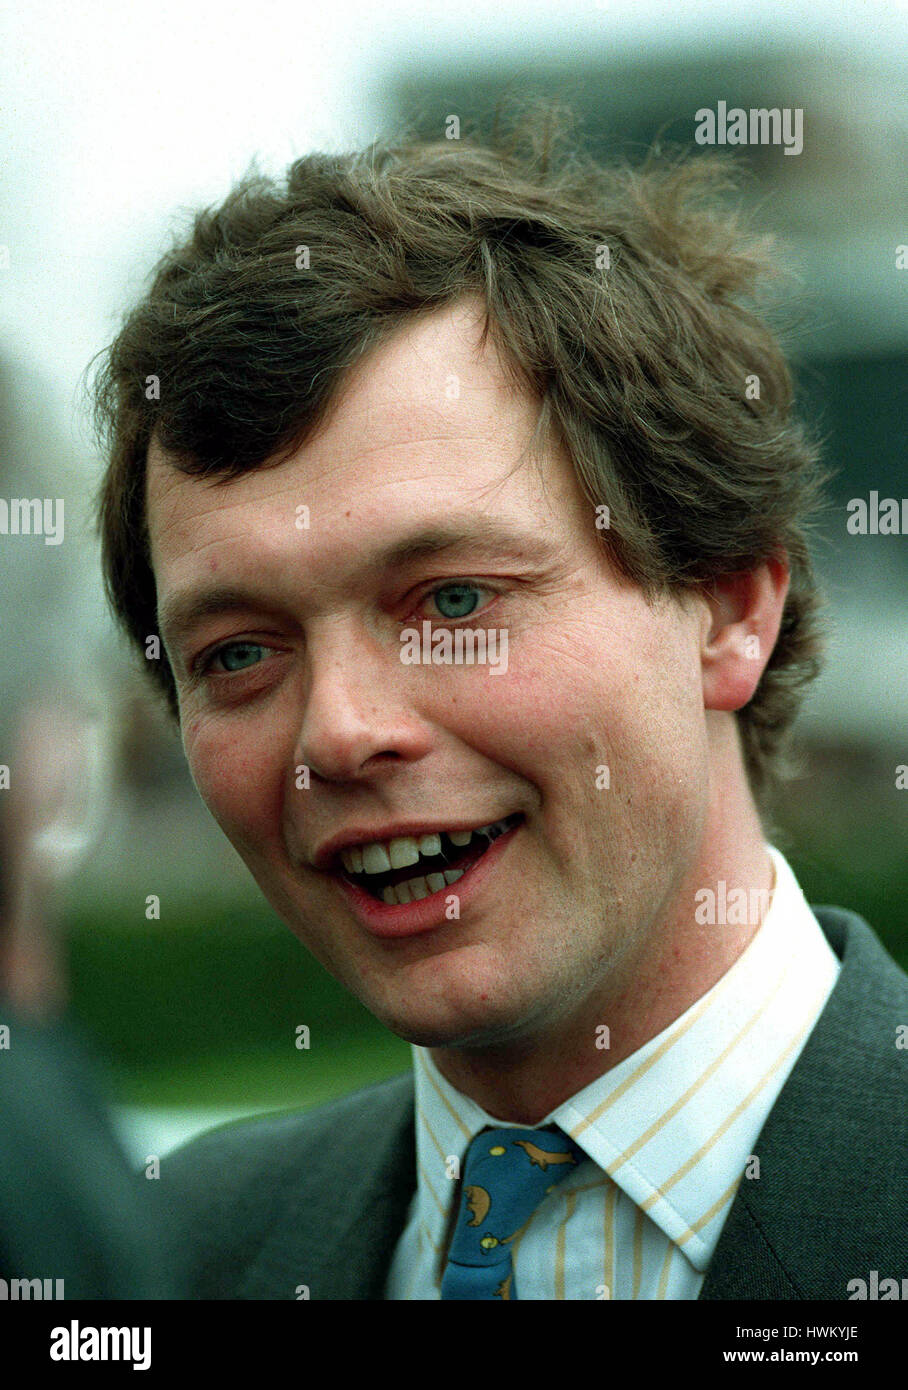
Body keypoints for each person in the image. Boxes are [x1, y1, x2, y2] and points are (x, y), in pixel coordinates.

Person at [91, 106, 907, 1300]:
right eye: (239, 653)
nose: (338, 732)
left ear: (730, 607)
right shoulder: (161, 1265)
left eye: (453, 599)